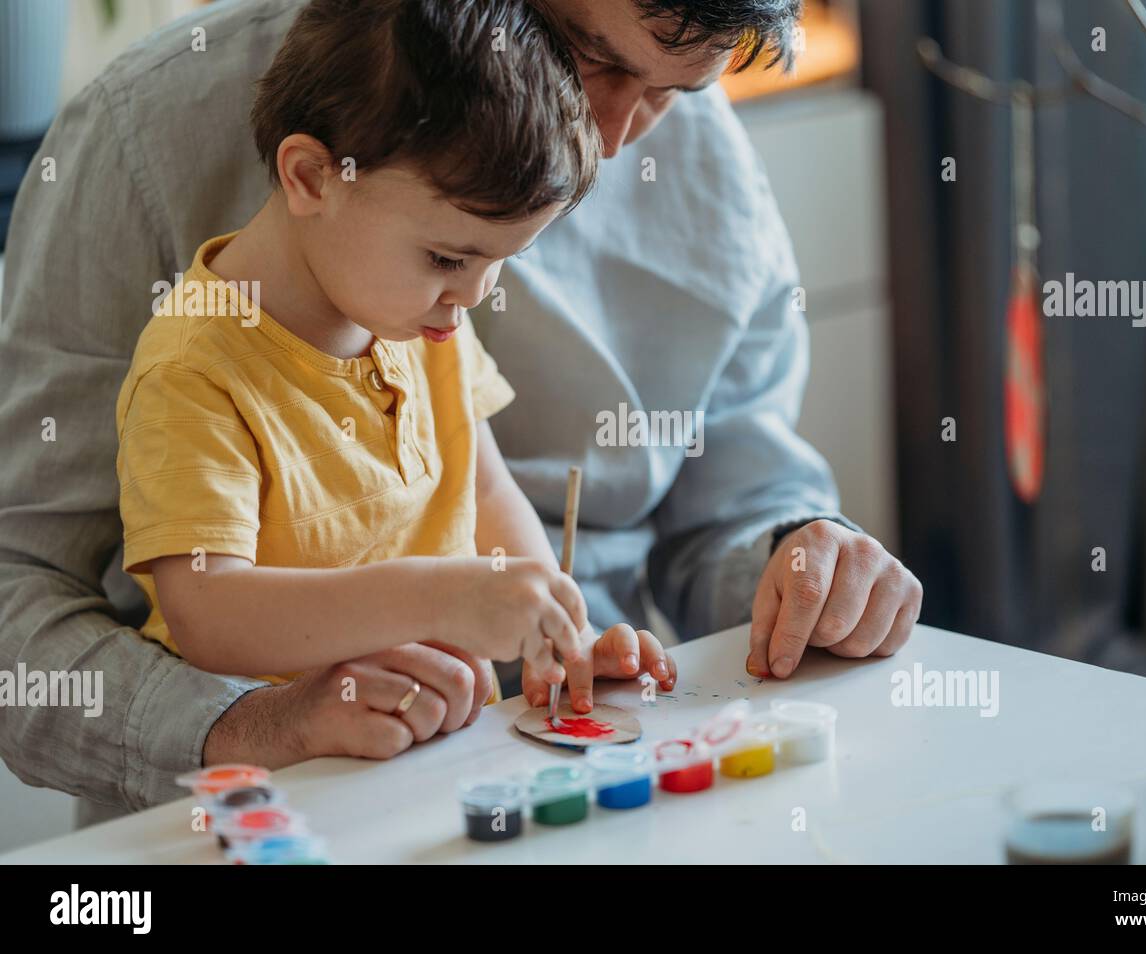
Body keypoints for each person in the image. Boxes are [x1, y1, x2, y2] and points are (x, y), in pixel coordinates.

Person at [0, 0, 922, 823]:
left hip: (540, 772)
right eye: (592, 56)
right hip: (260, 818)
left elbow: (720, 499)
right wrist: (259, 723)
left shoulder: (431, 317)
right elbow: (25, 591)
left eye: (672, 91)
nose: (605, 138)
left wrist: (796, 561)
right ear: (310, 178)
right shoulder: (151, 166)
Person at [115, 0, 677, 701]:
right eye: (447, 257)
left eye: (501, 262)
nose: (473, 295)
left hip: (432, 758)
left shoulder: (421, 317)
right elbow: (208, 614)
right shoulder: (194, 370)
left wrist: (563, 637)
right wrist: (433, 599)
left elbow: (485, 490)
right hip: (278, 792)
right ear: (313, 179)